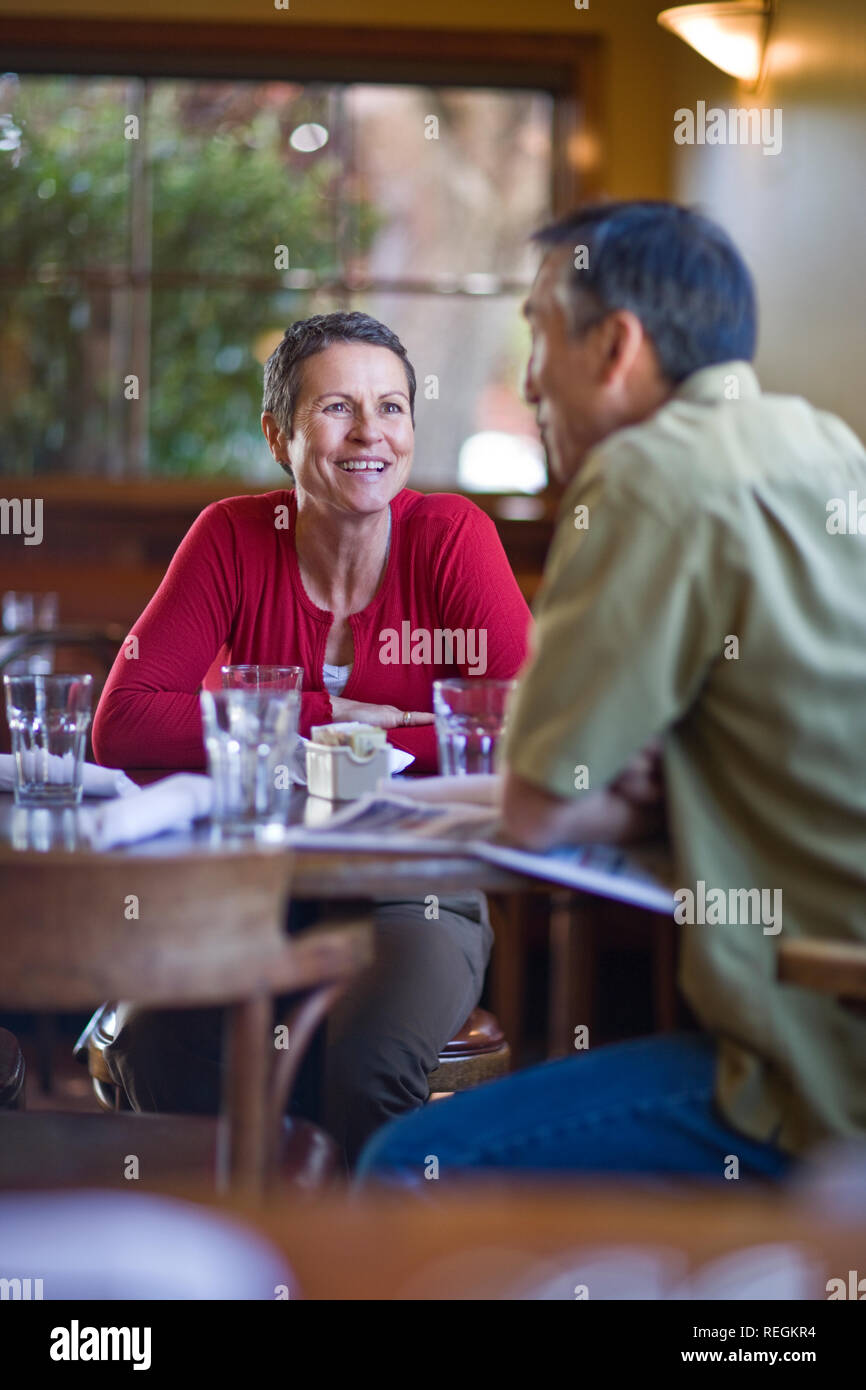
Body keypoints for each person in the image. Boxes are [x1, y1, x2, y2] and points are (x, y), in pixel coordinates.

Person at [357, 201, 866, 1185]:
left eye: (539, 330)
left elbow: (539, 805)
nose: (532, 376)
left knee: (402, 1167)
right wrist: (667, 778)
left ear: (615, 343)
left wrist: (624, 780)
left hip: (815, 1058)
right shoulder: (828, 447)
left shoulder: (645, 477)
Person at [92, 311, 531, 1166]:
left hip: (417, 885)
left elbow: (521, 732)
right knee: (159, 1048)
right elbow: (125, 720)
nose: (371, 433)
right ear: (278, 434)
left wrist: (275, 738)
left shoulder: (451, 538)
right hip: (249, 877)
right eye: (337, 408)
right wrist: (337, 724)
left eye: (392, 407)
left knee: (364, 1066)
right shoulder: (230, 535)